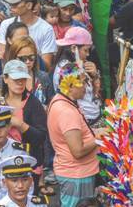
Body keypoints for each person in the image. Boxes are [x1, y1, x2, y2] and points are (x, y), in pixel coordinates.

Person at [46, 63, 104, 207]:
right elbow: (78, 151)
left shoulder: (60, 101)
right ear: (70, 86)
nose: (86, 86)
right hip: (77, 175)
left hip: (75, 174)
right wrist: (98, 138)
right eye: (83, 82)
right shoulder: (67, 112)